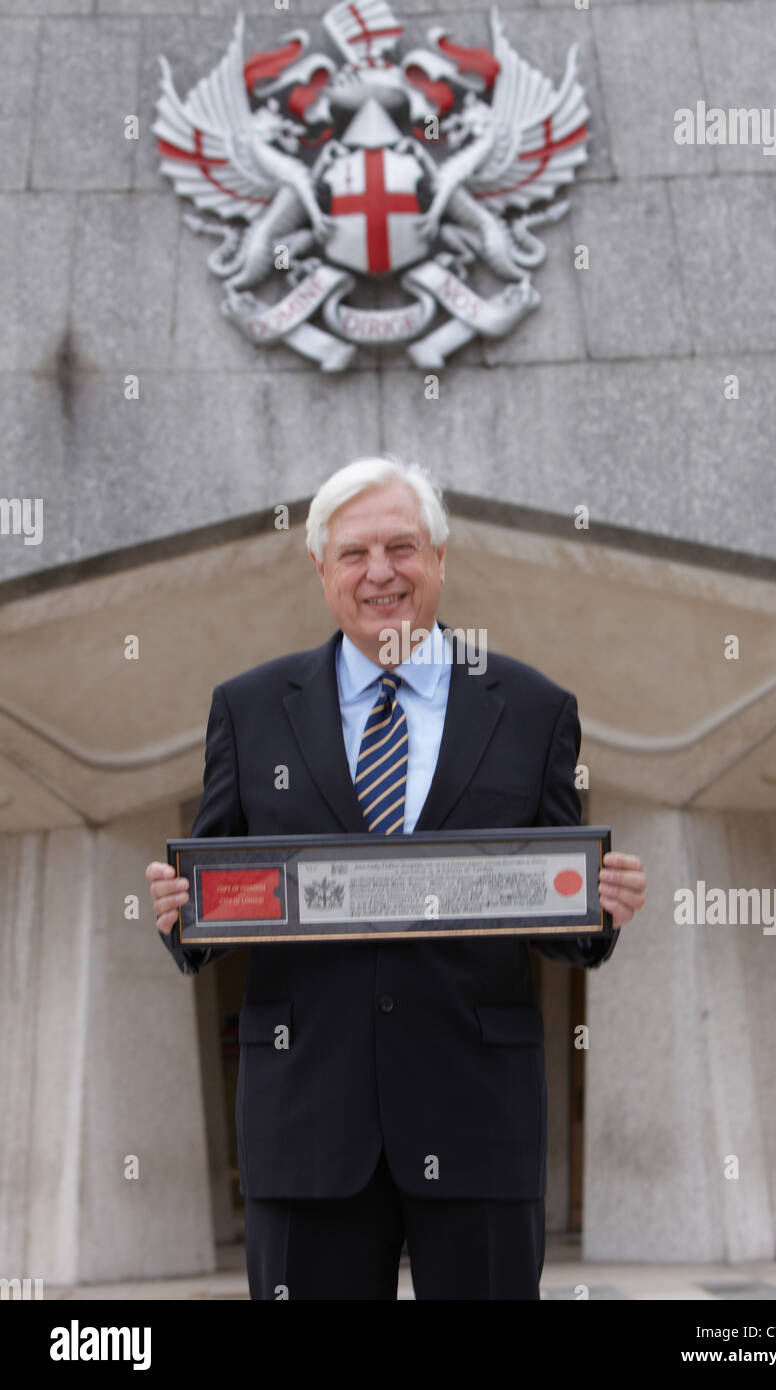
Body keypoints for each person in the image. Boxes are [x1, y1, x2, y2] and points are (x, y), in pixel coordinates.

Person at [146, 456, 646, 1300]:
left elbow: (559, 912)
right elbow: (215, 887)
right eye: (354, 553)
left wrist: (600, 909)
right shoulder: (249, 707)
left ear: (440, 560)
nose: (381, 573)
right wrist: (178, 918)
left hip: (477, 1116)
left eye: (401, 547)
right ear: (320, 568)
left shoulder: (531, 708)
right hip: (307, 1123)